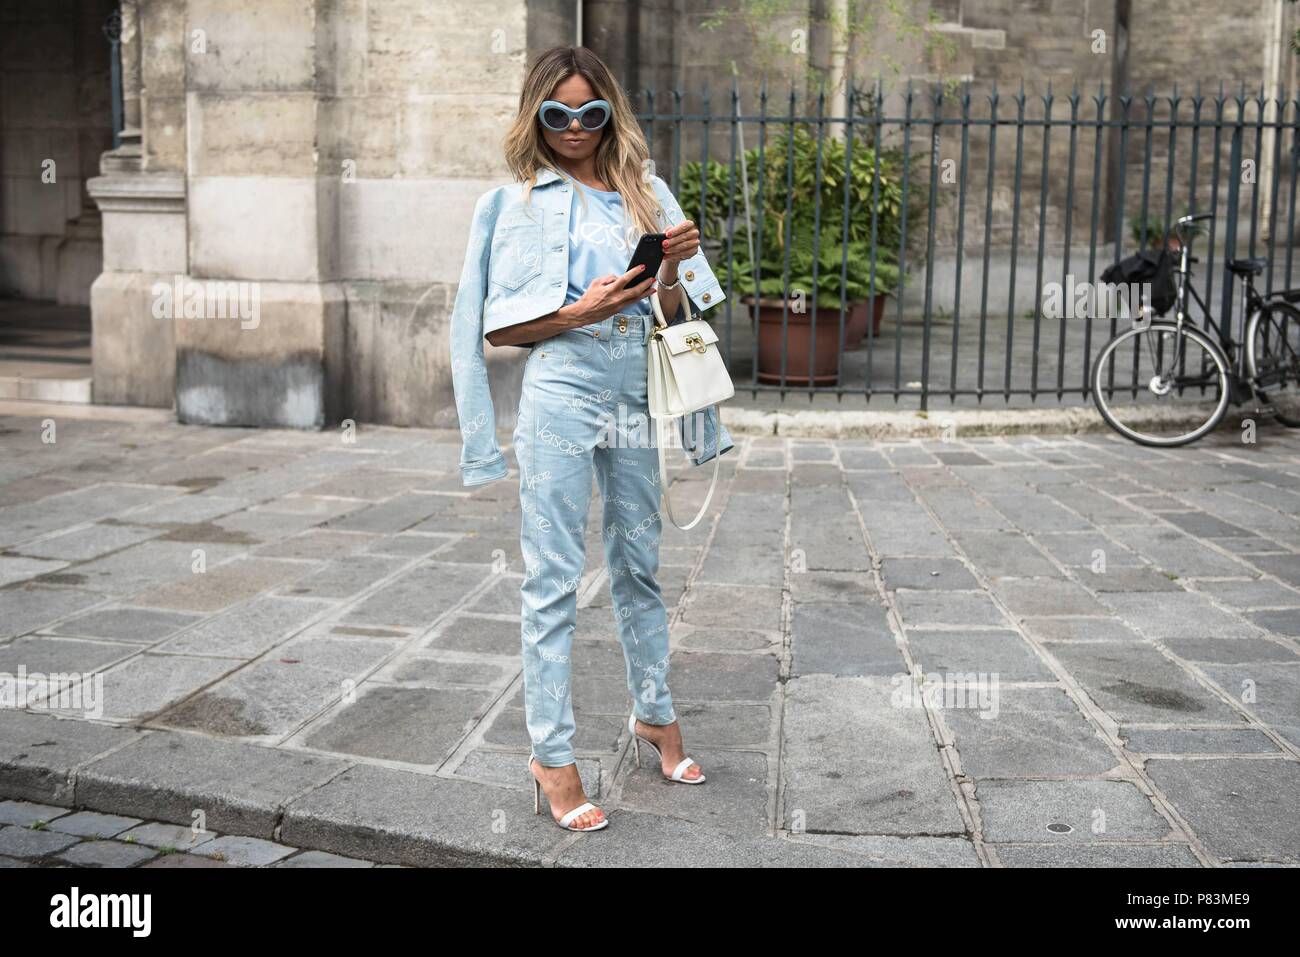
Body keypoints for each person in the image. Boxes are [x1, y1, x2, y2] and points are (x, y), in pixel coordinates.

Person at [449, 45, 733, 832]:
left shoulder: (647, 192)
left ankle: (655, 714)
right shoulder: (511, 204)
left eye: (591, 112)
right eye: (557, 113)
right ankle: (551, 755)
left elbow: (684, 308)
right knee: (553, 574)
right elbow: (495, 327)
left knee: (640, 562)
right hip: (563, 387)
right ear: (536, 115)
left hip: (636, 388)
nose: (575, 127)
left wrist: (671, 266)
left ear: (610, 112)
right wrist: (581, 310)